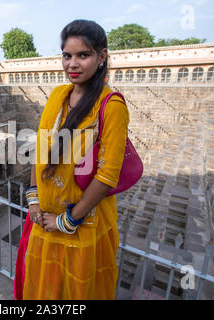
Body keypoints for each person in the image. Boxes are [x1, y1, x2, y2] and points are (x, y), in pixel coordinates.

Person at [14, 19, 130, 300]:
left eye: (83, 55)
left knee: (77, 291)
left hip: (82, 224)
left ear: (102, 57)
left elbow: (106, 177)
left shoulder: (111, 105)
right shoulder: (57, 95)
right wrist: (33, 200)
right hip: (43, 220)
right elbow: (41, 151)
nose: (72, 64)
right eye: (67, 55)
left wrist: (66, 221)